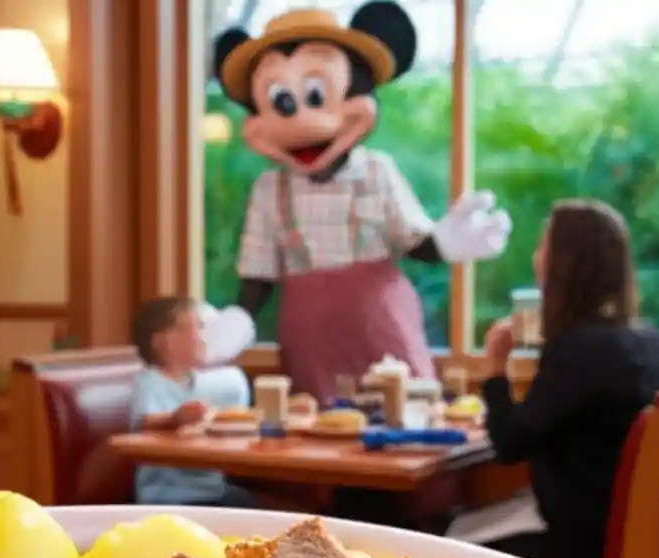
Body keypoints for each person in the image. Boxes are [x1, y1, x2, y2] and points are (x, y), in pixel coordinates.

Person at [211, 2, 510, 403]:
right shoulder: (269, 190)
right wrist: (236, 321)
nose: (303, 122)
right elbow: (258, 275)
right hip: (310, 339)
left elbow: (410, 240)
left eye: (315, 95)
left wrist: (446, 243)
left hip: (381, 325)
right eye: (283, 102)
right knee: (324, 430)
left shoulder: (376, 172)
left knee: (406, 411)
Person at [479, 199, 659, 558]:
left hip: (578, 551)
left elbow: (509, 443)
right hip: (621, 536)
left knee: (441, 542)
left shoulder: (581, 349)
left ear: (566, 262)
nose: (536, 258)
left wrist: (496, 367)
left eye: (544, 246)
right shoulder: (644, 341)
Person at [129, 296, 255, 507]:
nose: (203, 336)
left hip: (211, 490)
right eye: (196, 327)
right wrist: (175, 418)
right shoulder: (149, 381)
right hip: (169, 497)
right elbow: (144, 423)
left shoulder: (200, 382)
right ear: (164, 342)